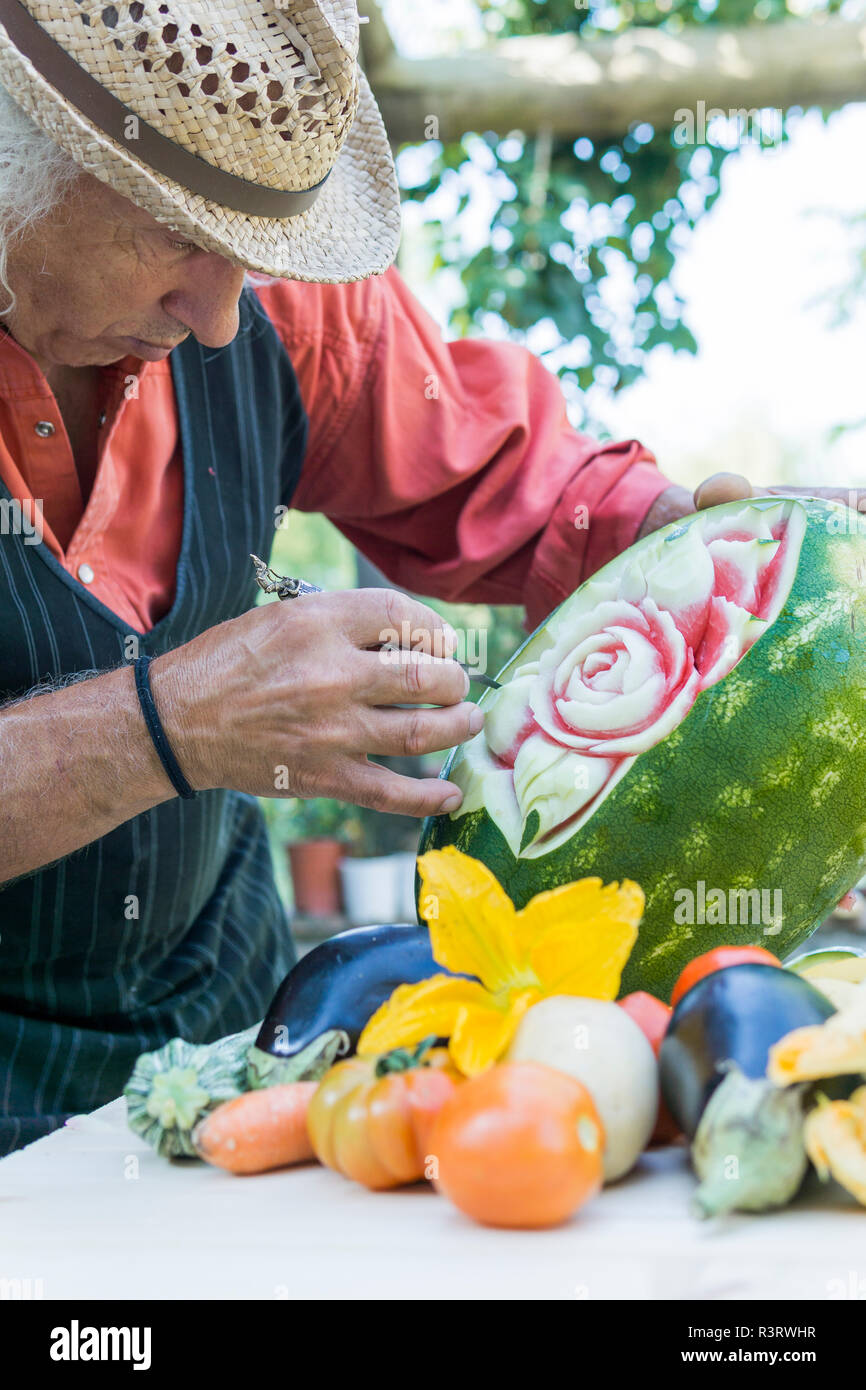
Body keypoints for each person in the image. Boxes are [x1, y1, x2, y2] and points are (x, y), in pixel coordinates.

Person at [0, 2, 856, 1153]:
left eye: (249, 248)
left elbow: (515, 487)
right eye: (172, 233)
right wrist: (166, 724)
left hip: (226, 1028)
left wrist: (717, 558)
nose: (216, 322)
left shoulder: (268, 296)